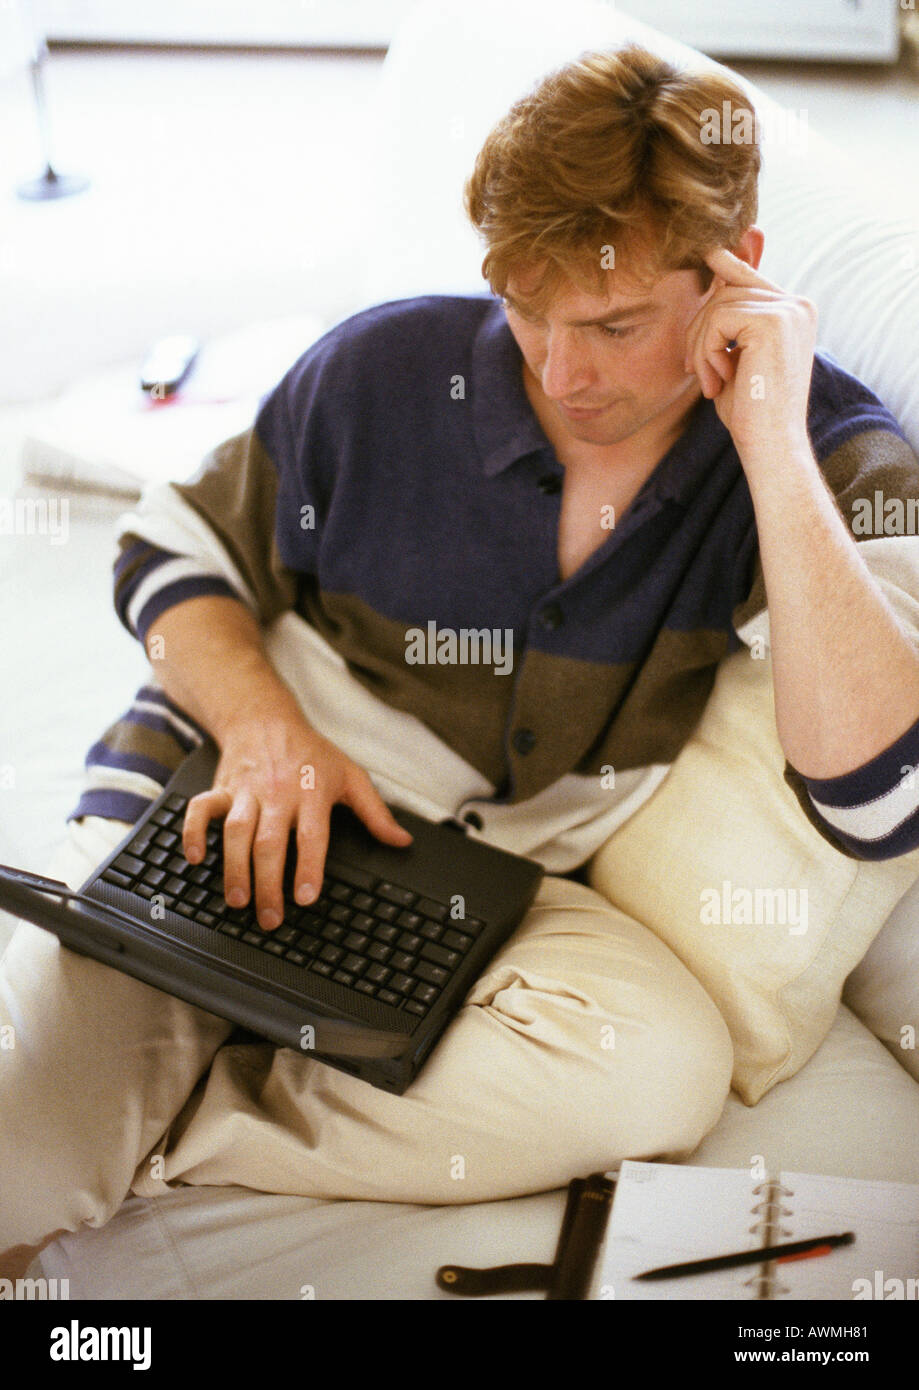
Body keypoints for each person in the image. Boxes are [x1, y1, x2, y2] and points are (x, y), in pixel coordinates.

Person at [3, 42, 919, 1282]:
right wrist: (272, 733)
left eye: (613, 323)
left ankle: (182, 1138)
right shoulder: (387, 367)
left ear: (735, 275)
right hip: (232, 786)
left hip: (488, 889)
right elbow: (167, 554)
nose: (560, 371)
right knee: (17, 1128)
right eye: (526, 310)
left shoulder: (820, 456)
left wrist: (766, 439)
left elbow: (877, 799)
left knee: (661, 1073)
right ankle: (113, 1103)